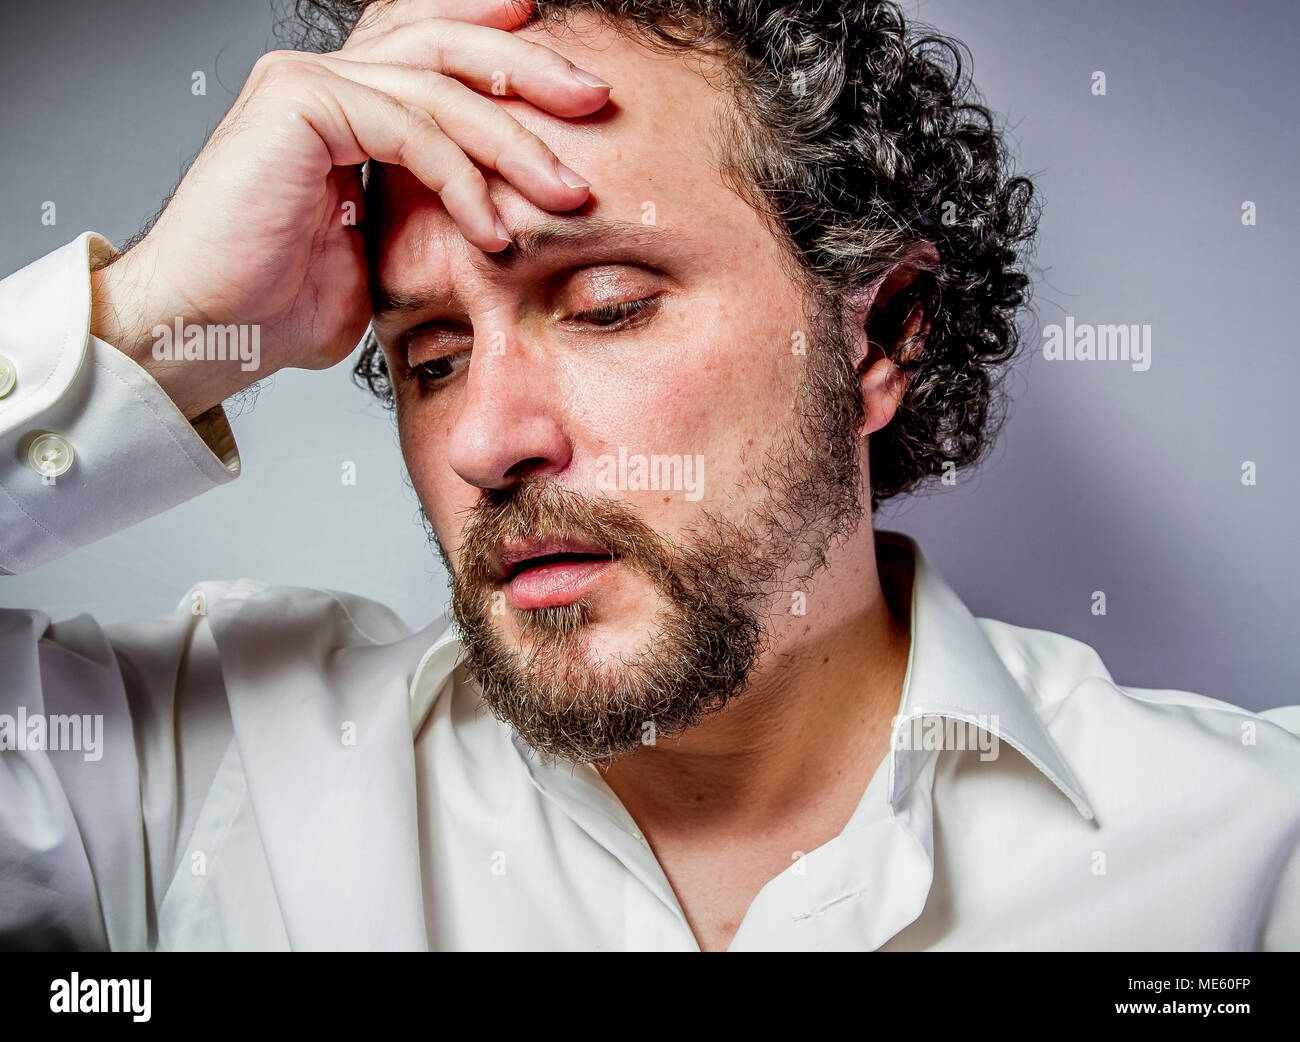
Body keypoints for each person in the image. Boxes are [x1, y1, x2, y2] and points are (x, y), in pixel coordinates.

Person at [1, 0, 1296, 952]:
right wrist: (160, 313)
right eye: (433, 355)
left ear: (882, 333)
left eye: (608, 304)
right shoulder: (188, 779)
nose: (484, 439)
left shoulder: (1251, 854)